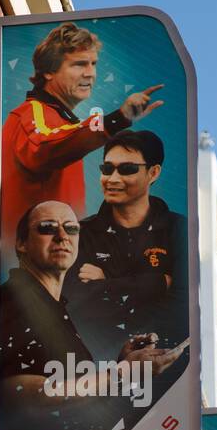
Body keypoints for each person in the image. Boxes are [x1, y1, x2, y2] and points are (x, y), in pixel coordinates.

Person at [0, 200, 186, 430]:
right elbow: (15, 391)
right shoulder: (16, 301)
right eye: (47, 228)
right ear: (21, 243)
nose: (62, 236)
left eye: (71, 228)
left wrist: (121, 363)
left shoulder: (55, 308)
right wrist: (121, 373)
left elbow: (74, 392)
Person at [0, 21, 164, 260]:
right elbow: (44, 148)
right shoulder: (32, 113)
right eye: (79, 64)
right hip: (27, 266)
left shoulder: (59, 120)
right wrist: (117, 119)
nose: (90, 73)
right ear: (48, 71)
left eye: (93, 64)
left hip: (51, 267)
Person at [63, 130, 188, 359]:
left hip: (166, 371)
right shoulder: (79, 234)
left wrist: (107, 284)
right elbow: (77, 305)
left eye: (127, 169)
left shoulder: (181, 230)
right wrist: (157, 283)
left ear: (153, 172)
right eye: (107, 169)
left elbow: (182, 306)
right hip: (98, 374)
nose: (113, 179)